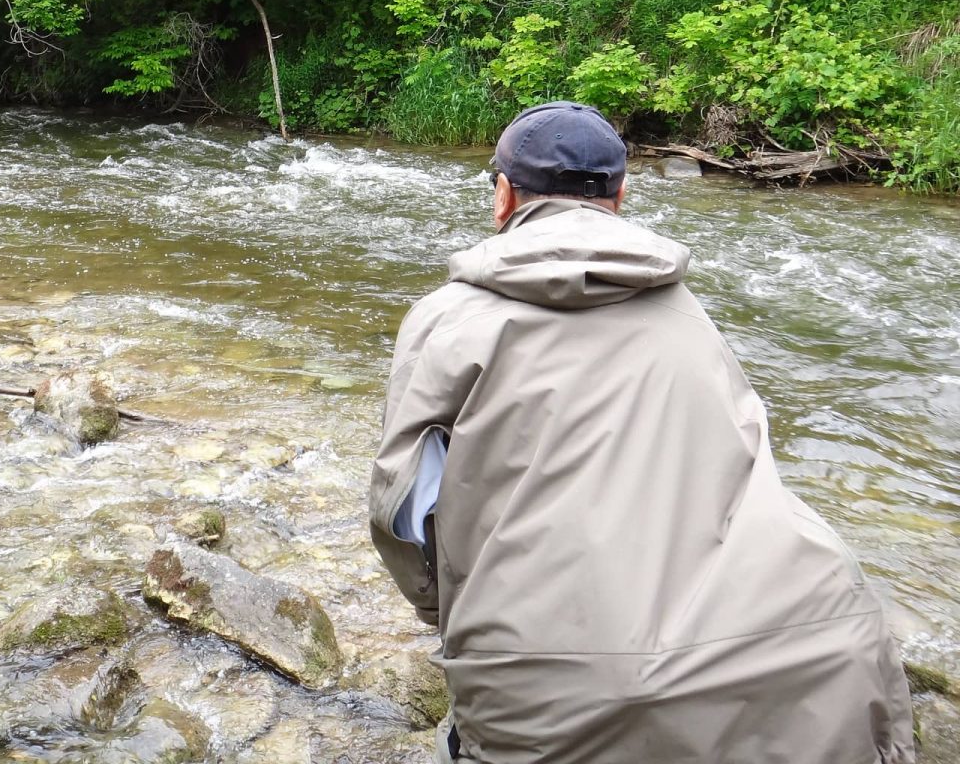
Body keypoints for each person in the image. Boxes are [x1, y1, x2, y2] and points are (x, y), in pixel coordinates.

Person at [368, 101, 915, 764]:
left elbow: (401, 513)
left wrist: (446, 616)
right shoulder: (688, 312)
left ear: (504, 196)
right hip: (801, 661)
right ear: (621, 196)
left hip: (545, 700)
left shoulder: (446, 321)